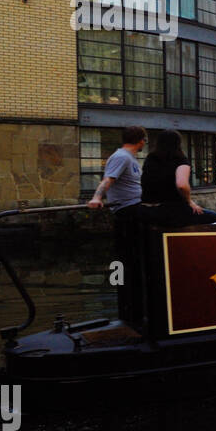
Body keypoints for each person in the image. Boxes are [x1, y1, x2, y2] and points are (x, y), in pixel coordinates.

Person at [88, 125, 147, 326]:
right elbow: (107, 180)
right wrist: (96, 197)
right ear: (141, 140)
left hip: (133, 210)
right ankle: (123, 303)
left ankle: (132, 302)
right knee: (124, 258)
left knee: (131, 258)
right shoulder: (121, 157)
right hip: (127, 212)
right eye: (144, 140)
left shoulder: (129, 158)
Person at [141, 129, 216, 227]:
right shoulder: (180, 160)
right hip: (172, 210)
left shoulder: (150, 159)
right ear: (178, 144)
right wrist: (189, 202)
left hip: (147, 210)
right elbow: (182, 185)